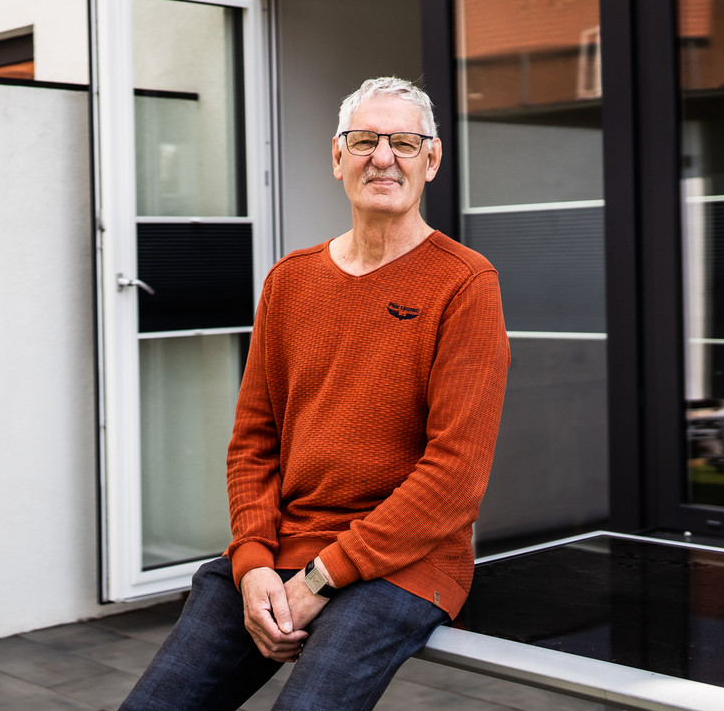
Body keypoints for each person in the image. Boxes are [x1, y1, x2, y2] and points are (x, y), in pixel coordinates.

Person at [119, 76, 509, 711]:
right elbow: (253, 441)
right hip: (281, 552)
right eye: (364, 141)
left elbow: (456, 474)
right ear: (337, 157)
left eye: (404, 143)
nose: (383, 157)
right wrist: (251, 563)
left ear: (431, 160)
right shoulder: (290, 280)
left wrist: (323, 579)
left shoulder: (464, 283)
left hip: (404, 564)